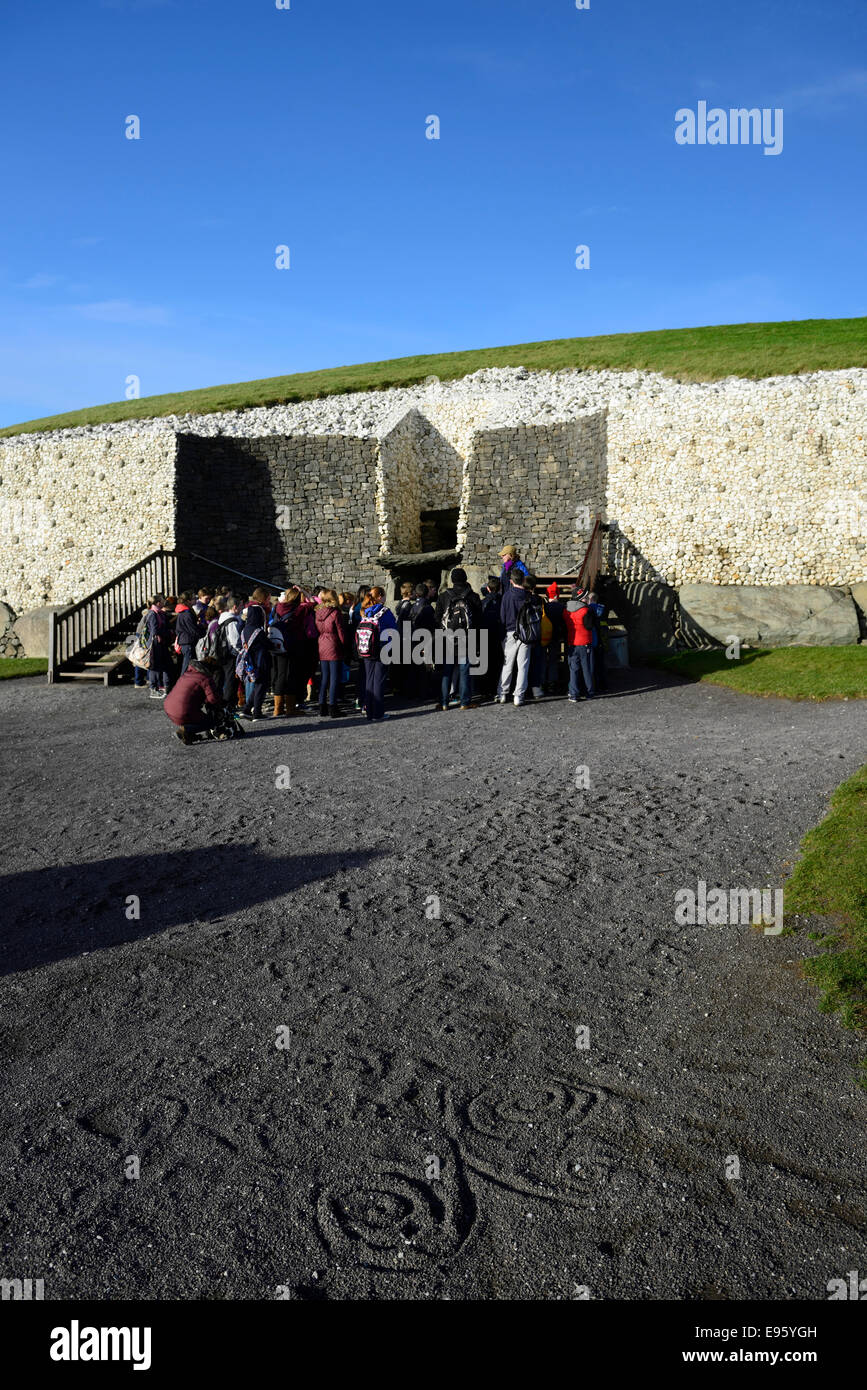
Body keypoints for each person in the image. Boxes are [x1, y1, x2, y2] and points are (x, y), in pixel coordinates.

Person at [434, 567, 482, 710]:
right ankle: (465, 702)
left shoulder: (443, 596)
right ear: (465, 579)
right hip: (467, 639)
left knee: (447, 671)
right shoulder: (473, 596)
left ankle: (443, 703)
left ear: (452, 580)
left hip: (448, 638)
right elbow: (479, 619)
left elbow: (437, 617)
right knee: (464, 671)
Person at [355, 586, 397, 721]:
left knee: (369, 680)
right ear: (379, 597)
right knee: (379, 681)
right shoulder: (385, 611)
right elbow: (393, 629)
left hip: (366, 648)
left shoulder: (365, 611)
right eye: (384, 595)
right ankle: (378, 713)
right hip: (382, 648)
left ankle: (369, 712)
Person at [163, 656, 223, 744]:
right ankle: (186, 730)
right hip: (182, 711)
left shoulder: (188, 672)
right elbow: (213, 699)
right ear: (212, 669)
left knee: (195, 714)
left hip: (168, 708)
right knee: (211, 722)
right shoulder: (205, 678)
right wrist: (221, 702)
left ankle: (189, 736)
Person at [496, 568, 531, 706]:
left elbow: (502, 617)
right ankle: (518, 695)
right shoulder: (528, 596)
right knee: (523, 665)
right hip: (526, 633)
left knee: (507, 665)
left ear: (511, 581)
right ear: (523, 580)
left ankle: (502, 693)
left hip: (510, 632)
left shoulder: (507, 596)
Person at [238, 586, 273, 721]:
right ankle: (257, 712)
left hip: (252, 655)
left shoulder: (248, 624)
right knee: (262, 683)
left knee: (258, 682)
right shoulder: (258, 620)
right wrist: (271, 644)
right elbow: (261, 637)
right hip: (259, 656)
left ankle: (247, 709)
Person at [315, 590, 349, 717]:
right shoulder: (336, 613)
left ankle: (321, 705)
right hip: (333, 643)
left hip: (322, 642)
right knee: (334, 677)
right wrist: (345, 645)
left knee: (324, 677)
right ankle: (333, 707)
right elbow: (341, 632)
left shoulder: (318, 612)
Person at [564, 585, 596, 702]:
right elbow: (589, 626)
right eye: (585, 598)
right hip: (584, 642)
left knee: (574, 669)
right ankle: (589, 692)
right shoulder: (586, 610)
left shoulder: (566, 610)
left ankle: (573, 693)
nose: (586, 599)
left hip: (572, 642)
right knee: (587, 668)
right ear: (581, 598)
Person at [217, 594, 244, 709]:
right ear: (234, 607)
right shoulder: (231, 621)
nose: (242, 609)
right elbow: (235, 640)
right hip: (230, 654)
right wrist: (241, 651)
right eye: (240, 607)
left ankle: (223, 704)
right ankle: (229, 706)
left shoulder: (222, 617)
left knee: (224, 680)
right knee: (231, 681)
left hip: (222, 653)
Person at [544, 581, 566, 693]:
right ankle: (552, 683)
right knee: (553, 660)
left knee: (542, 659)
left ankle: (541, 682)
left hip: (543, 636)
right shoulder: (562, 607)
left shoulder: (545, 607)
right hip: (556, 636)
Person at [174, 592, 203, 675]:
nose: (196, 600)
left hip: (185, 641)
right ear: (188, 601)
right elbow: (192, 629)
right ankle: (181, 684)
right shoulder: (187, 613)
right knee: (187, 666)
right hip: (188, 641)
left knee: (188, 665)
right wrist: (202, 634)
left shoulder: (184, 612)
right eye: (194, 598)